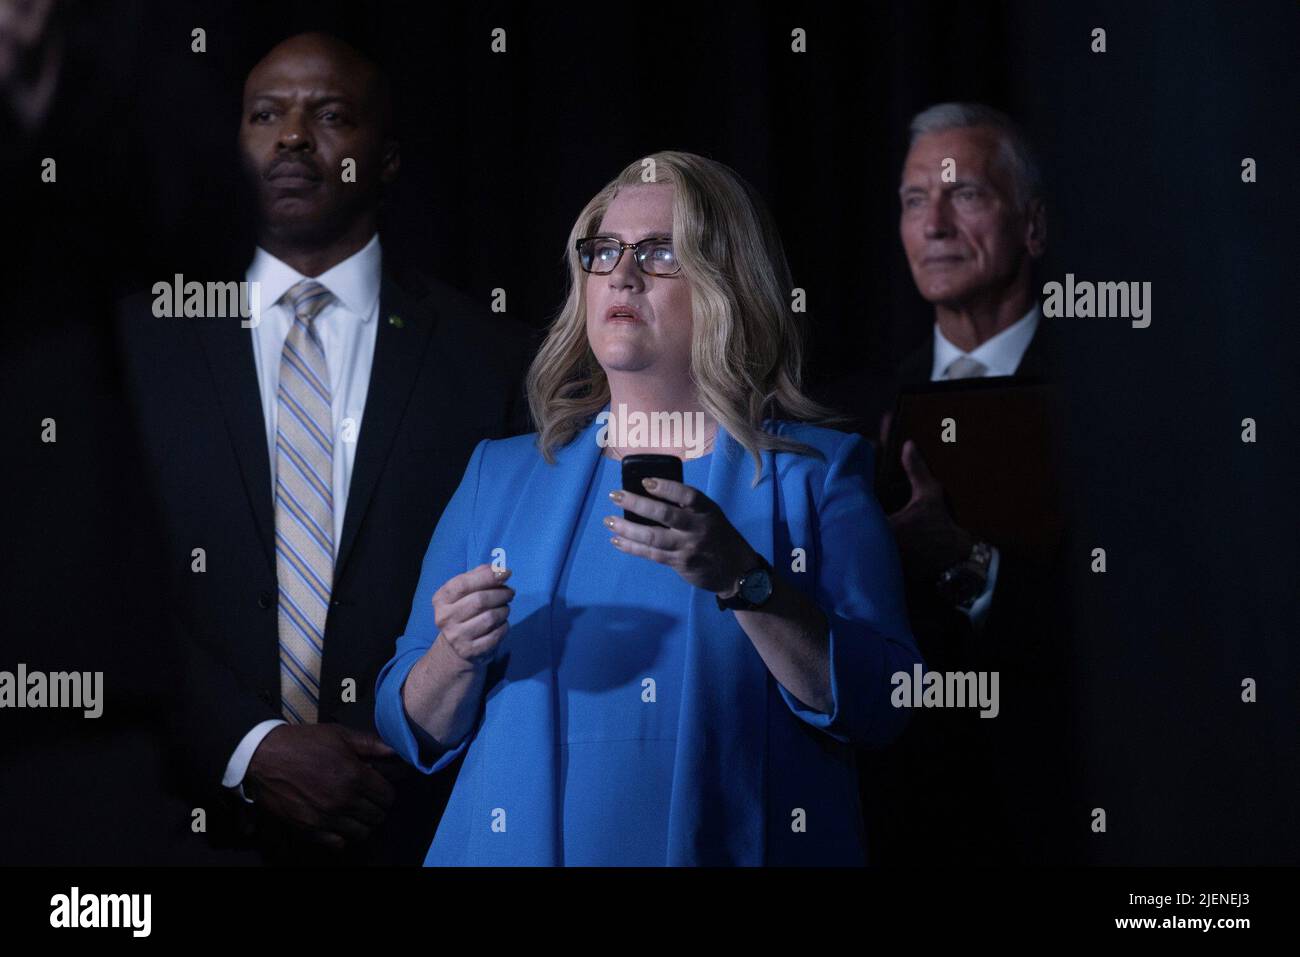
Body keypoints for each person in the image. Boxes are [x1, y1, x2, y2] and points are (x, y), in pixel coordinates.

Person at [374, 150, 922, 866]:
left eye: (661, 252)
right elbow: (407, 723)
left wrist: (746, 580)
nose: (622, 274)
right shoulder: (499, 475)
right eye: (604, 251)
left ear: (731, 281)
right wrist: (455, 654)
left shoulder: (814, 475)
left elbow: (888, 701)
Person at [114, 32, 535, 864]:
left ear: (386, 160)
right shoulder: (135, 345)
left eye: (330, 114)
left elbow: (519, 586)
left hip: (419, 819)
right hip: (184, 821)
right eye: (265, 114)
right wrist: (250, 745)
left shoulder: (498, 359)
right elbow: (101, 582)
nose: (294, 136)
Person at [828, 102, 1079, 864]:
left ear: (1032, 227)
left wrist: (967, 560)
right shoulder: (847, 415)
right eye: (913, 201)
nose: (933, 224)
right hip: (905, 815)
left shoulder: (1108, 406)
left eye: (964, 193)